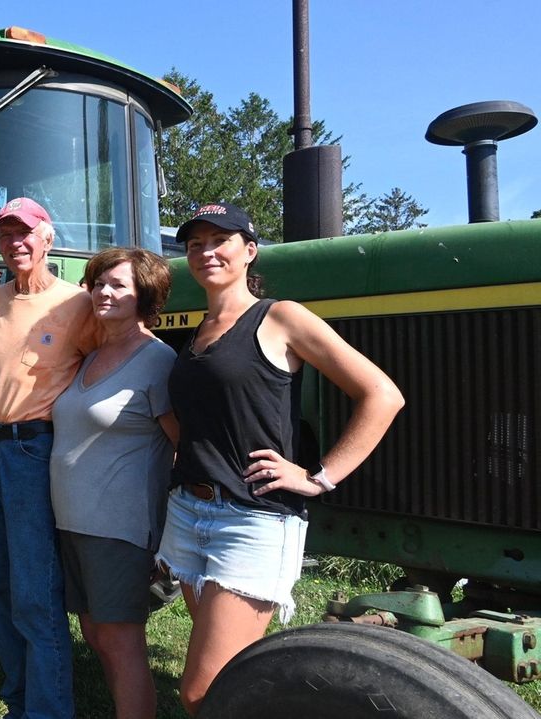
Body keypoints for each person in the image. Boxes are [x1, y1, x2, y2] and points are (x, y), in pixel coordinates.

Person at [156, 202, 405, 715]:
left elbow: (382, 395)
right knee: (233, 680)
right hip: (189, 512)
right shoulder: (201, 329)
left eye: (220, 241)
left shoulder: (280, 317)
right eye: (196, 244)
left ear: (249, 251)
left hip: (251, 520)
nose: (206, 252)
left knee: (201, 691)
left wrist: (319, 477)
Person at [0, 197, 99, 719]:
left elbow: (110, 364)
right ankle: (19, 701)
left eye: (24, 232)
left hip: (32, 450)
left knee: (34, 591)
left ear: (48, 238)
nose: (14, 243)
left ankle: (47, 711)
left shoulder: (78, 303)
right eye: (5, 234)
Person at [49, 248, 178, 719]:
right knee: (97, 636)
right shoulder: (91, 357)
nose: (104, 292)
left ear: (145, 295)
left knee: (121, 641)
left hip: (120, 527)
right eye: (99, 283)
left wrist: (172, 530)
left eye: (118, 285)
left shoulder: (157, 360)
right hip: (73, 523)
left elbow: (181, 444)